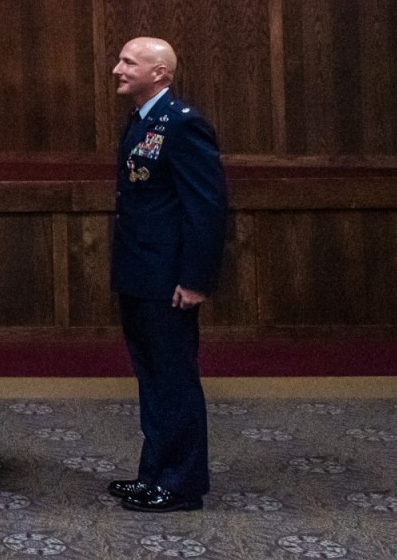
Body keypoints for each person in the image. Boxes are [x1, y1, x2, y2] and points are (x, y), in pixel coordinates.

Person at [107, 36, 227, 513]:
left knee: (174, 379)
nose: (117, 68)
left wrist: (196, 278)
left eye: (128, 62)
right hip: (140, 272)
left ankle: (180, 484)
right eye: (120, 60)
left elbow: (207, 206)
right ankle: (154, 471)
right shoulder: (141, 121)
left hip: (168, 278)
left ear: (159, 73)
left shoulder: (183, 124)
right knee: (152, 378)